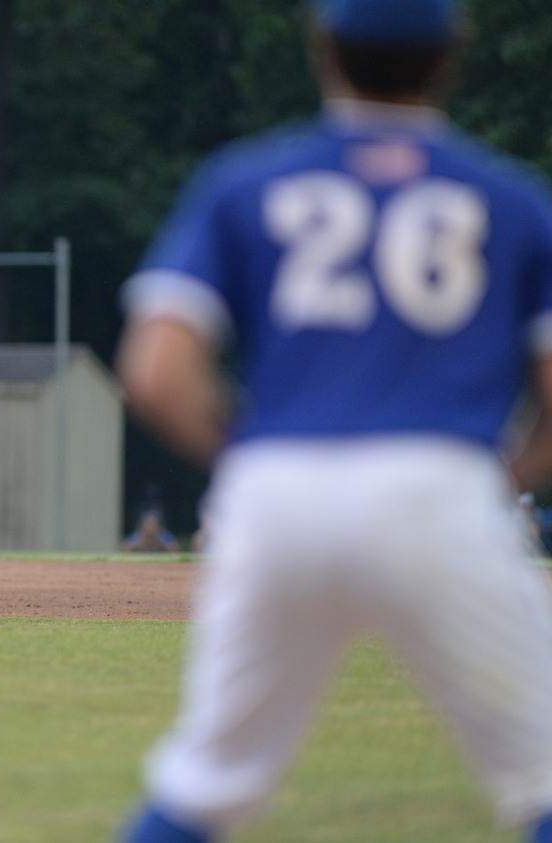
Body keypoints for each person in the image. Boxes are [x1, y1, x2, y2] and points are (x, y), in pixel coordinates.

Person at [114, 1, 552, 841]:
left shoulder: (244, 180)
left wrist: (246, 458)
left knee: (203, 788)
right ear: (451, 55)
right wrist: (497, 474)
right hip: (438, 484)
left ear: (325, 47)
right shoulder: (511, 197)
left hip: (278, 487)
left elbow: (156, 369)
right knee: (542, 779)